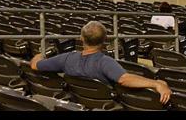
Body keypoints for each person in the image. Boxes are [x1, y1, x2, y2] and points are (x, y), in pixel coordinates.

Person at [31, 21, 172, 104]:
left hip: (79, 102)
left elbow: (34, 65)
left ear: (81, 38)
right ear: (105, 40)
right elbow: (124, 79)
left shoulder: (67, 58)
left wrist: (39, 55)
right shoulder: (105, 62)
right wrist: (157, 83)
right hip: (103, 104)